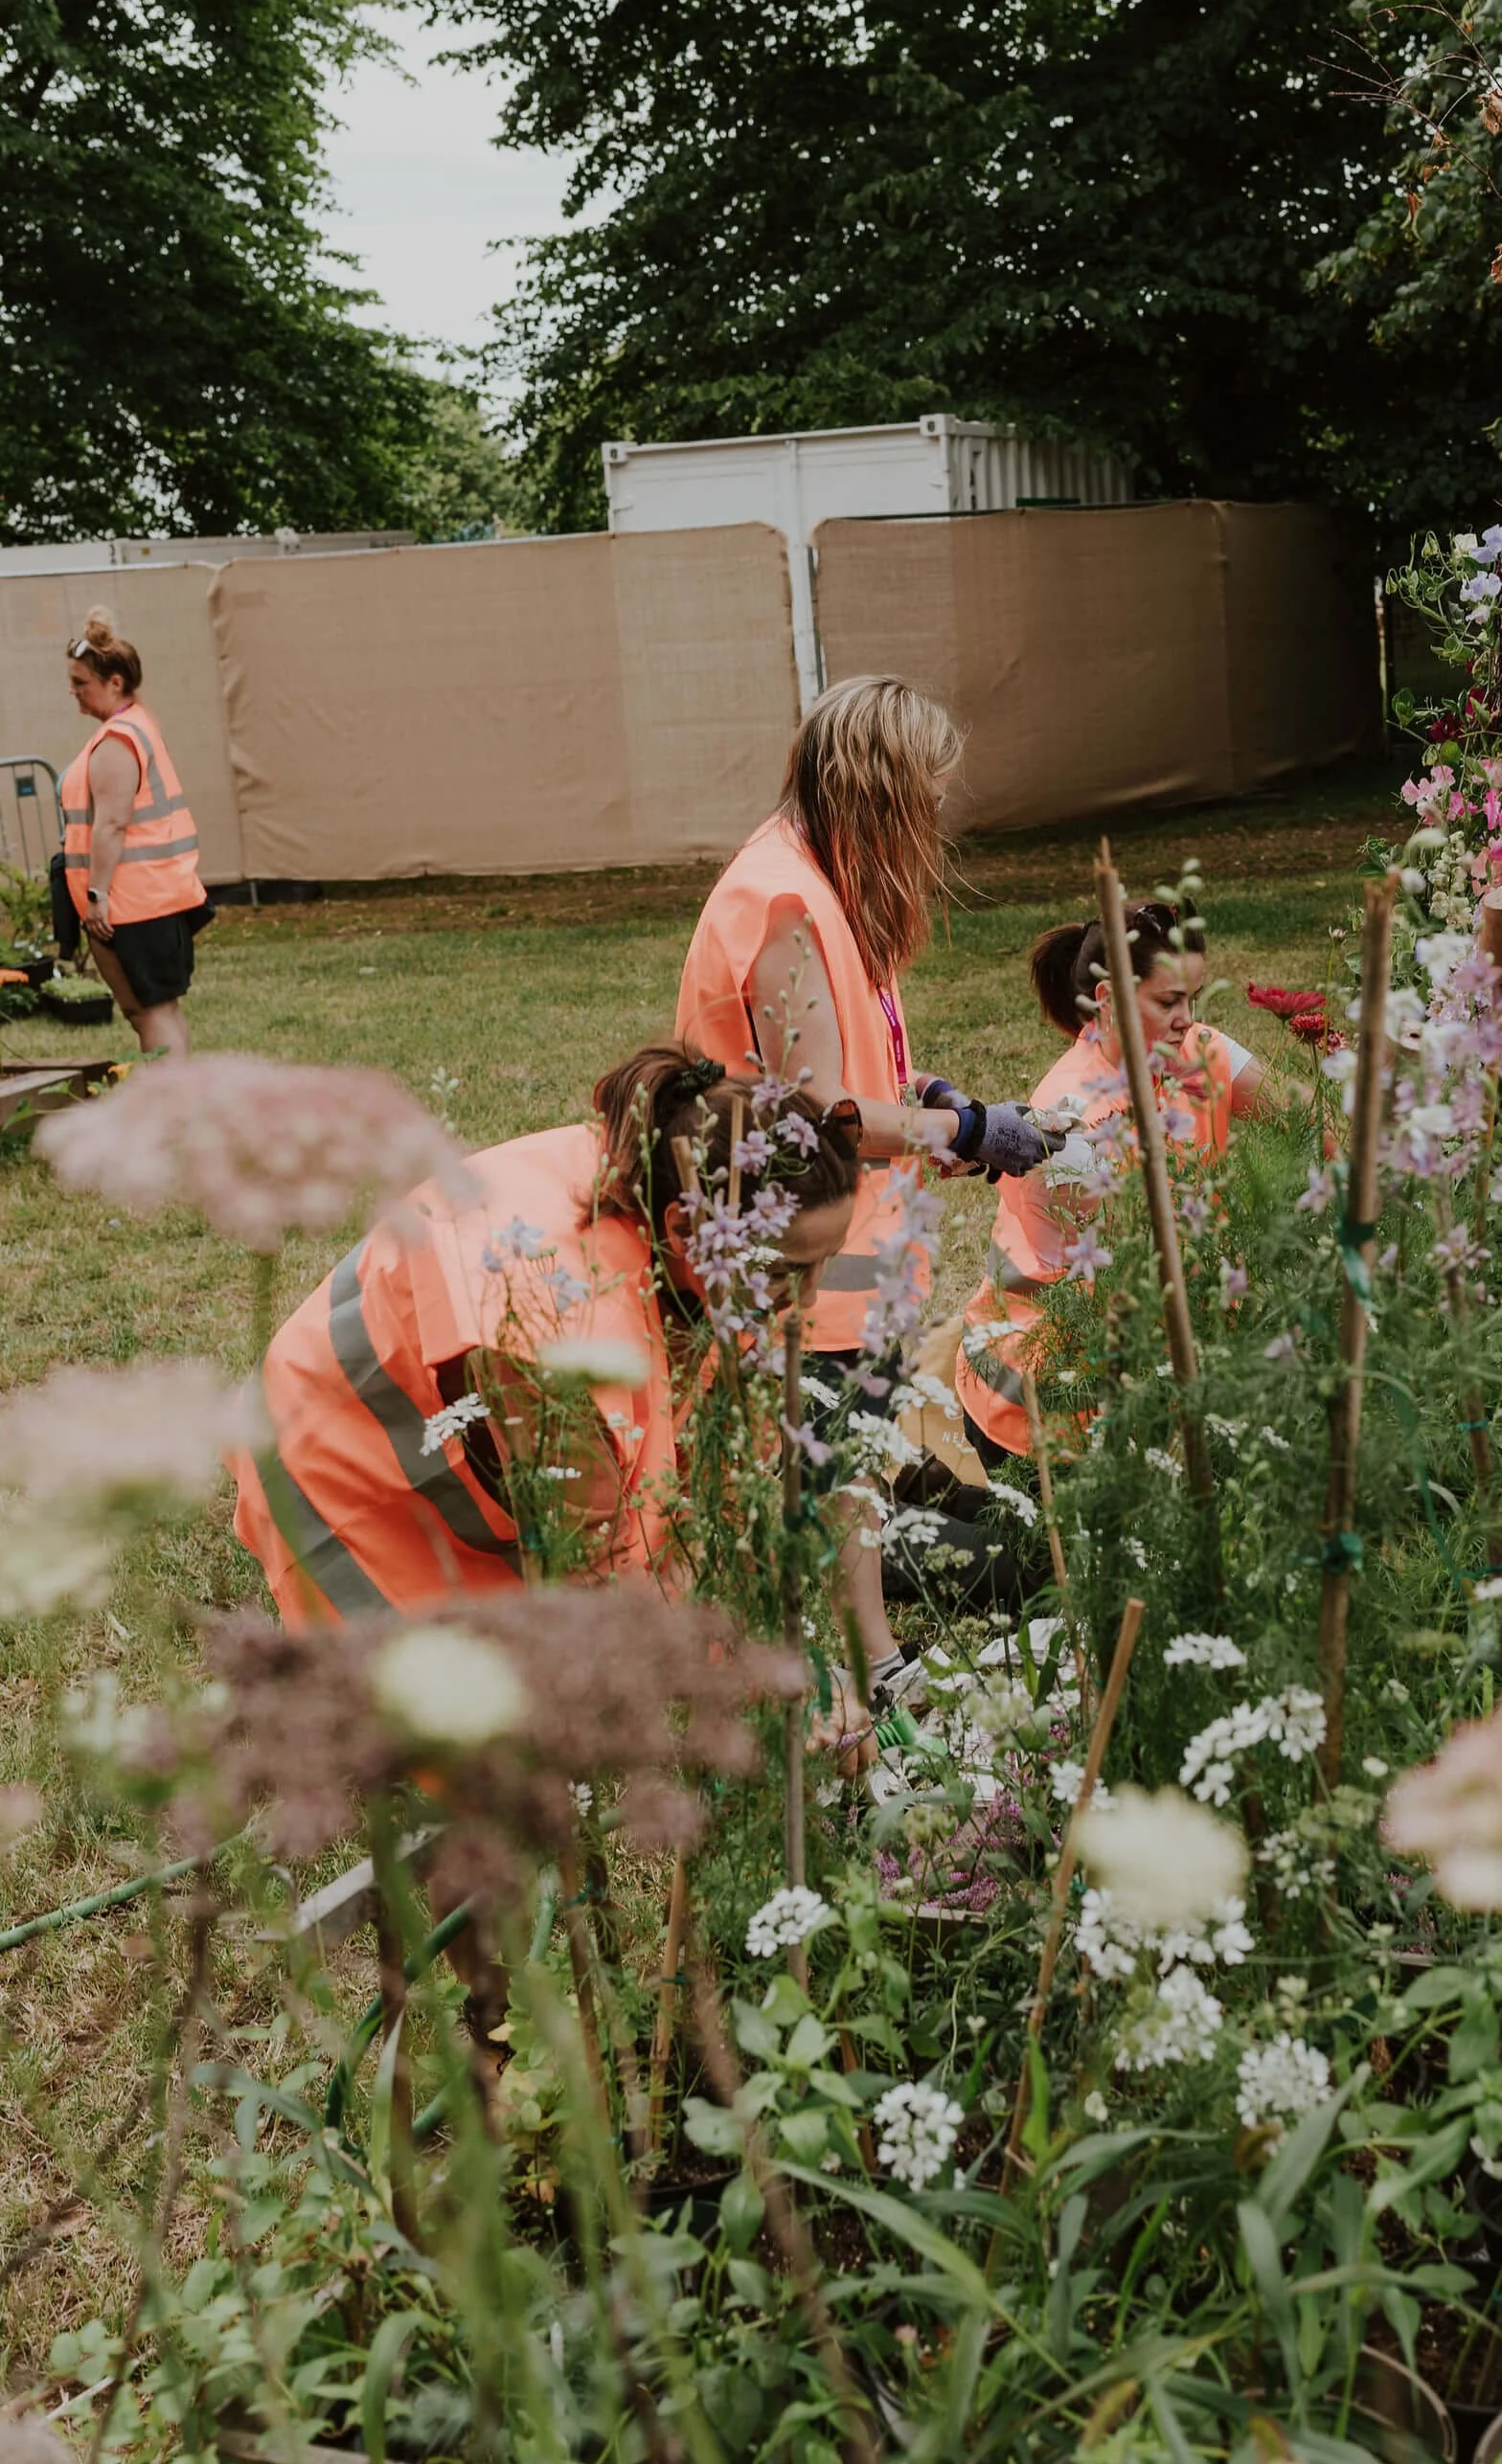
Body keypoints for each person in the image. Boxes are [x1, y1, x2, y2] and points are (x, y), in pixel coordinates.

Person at [676, 675, 1058, 1698]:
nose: (933, 812)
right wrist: (963, 1127)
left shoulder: (819, 881)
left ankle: (862, 1663)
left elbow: (854, 1070)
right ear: (878, 786)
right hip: (806, 1262)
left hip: (847, 1253)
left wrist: (927, 1091)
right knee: (820, 1479)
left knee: (843, 1476)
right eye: (923, 789)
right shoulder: (784, 901)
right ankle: (833, 1683)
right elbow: (818, 1111)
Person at [231, 1041, 859, 1638]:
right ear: (684, 1228)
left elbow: (725, 1499)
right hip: (338, 1454)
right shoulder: (552, 1325)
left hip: (478, 1443)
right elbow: (596, 1582)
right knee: (420, 1712)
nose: (805, 1300)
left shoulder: (686, 1196)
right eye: (784, 1271)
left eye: (824, 1261)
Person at [955, 900, 1269, 1467]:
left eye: (1192, 999)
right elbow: (1126, 1288)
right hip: (1043, 1402)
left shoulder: (1195, 1049)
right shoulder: (1069, 1113)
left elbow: (1315, 1124)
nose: (1187, 1018)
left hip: (1140, 1378)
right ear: (1107, 1001)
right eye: (1169, 1001)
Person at [58, 609, 208, 1055]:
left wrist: (96, 895)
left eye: (81, 682)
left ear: (116, 682)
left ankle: (166, 1114)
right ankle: (177, 1107)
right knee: (155, 1009)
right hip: (150, 899)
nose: (74, 691)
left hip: (131, 905)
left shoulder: (117, 742)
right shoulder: (135, 725)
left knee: (151, 1012)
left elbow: (112, 824)